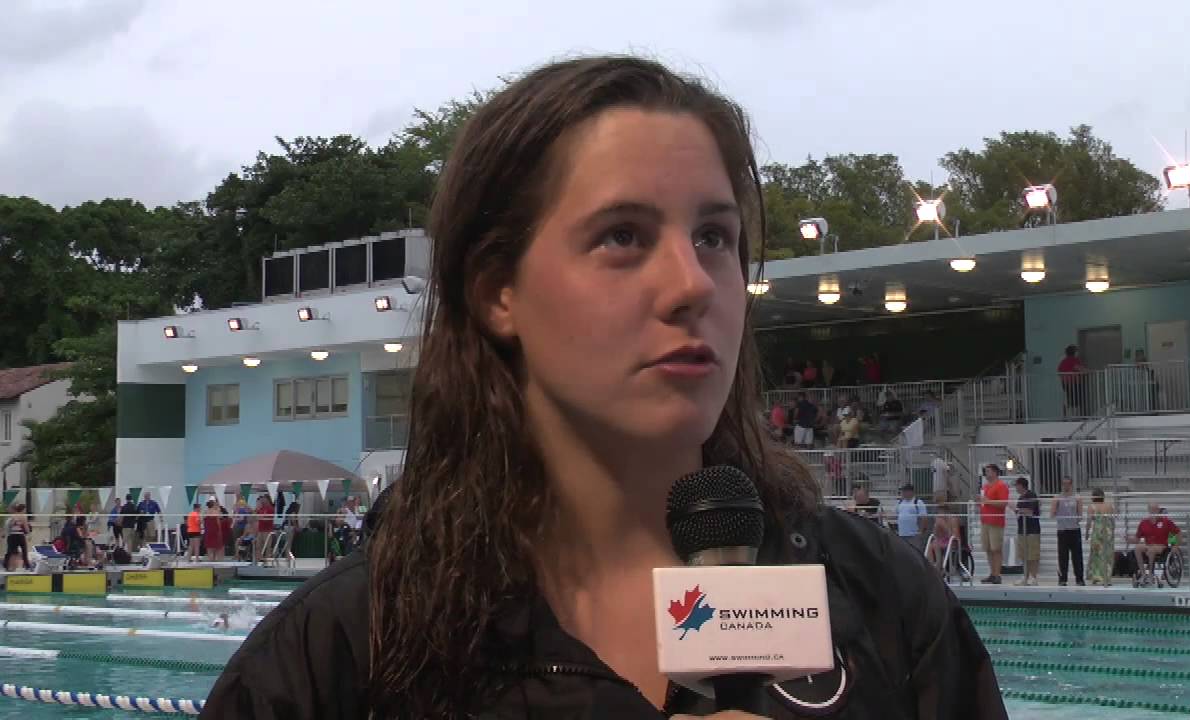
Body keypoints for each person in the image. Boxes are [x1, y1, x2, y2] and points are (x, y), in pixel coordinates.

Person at [202, 55, 1005, 719]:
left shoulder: (880, 601)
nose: (691, 284)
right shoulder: (348, 652)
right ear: (496, 291)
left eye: (714, 237)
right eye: (623, 236)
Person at [1132, 503, 1181, 584]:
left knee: (1151, 550)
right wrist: (1128, 539)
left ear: (1158, 510)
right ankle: (1143, 574)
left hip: (1161, 546)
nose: (1154, 512)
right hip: (1148, 545)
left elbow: (1177, 533)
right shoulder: (1144, 522)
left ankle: (1151, 574)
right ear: (1149, 511)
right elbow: (1136, 539)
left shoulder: (1166, 521)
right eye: (1152, 510)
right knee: (1137, 548)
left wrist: (1175, 545)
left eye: (1156, 510)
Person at [1049, 477, 1085, 586]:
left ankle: (1079, 578)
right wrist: (1056, 509)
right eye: (1064, 484)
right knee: (1062, 556)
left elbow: (1080, 515)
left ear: (1071, 485)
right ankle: (1062, 578)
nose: (1066, 486)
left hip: (1074, 529)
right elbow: (1052, 514)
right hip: (1062, 530)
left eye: (1067, 484)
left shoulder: (1077, 498)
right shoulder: (1057, 498)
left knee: (1077, 556)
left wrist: (1074, 519)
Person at [978, 464, 1010, 584]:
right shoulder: (985, 486)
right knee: (988, 549)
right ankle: (992, 573)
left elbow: (1003, 503)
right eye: (985, 471)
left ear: (996, 473)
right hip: (985, 520)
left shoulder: (1001, 485)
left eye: (988, 471)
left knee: (996, 548)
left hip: (996, 521)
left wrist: (988, 501)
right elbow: (984, 502)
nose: (986, 474)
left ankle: (997, 574)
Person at [1012, 477, 1041, 586]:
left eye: (1016, 485)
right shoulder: (1020, 498)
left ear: (1021, 485)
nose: (1015, 487)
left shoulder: (1031, 495)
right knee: (1023, 554)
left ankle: (1033, 577)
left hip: (1032, 529)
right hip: (1022, 529)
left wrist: (1017, 509)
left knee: (1033, 554)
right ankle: (1025, 576)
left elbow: (1030, 511)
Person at [1085, 488, 1116, 586]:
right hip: (1108, 532)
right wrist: (1113, 530)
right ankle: (1107, 577)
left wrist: (1086, 533)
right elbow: (1112, 520)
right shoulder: (1109, 506)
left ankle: (1096, 577)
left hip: (1098, 532)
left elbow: (1089, 521)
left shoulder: (1092, 506)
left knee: (1096, 555)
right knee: (1108, 555)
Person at [895, 483, 929, 553]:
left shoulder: (918, 502)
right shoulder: (900, 502)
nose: (903, 493)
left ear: (910, 492)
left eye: (905, 491)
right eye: (903, 491)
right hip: (902, 534)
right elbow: (896, 515)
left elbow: (924, 518)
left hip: (914, 535)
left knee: (916, 553)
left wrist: (921, 532)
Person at [1058, 345, 1087, 418]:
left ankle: (1070, 417)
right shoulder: (1073, 360)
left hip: (1066, 384)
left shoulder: (1063, 361)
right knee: (1076, 401)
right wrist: (1090, 371)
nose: (1078, 353)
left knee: (1070, 400)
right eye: (1076, 351)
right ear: (1074, 352)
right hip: (1075, 383)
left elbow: (1059, 371)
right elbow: (1080, 369)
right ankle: (1076, 417)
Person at [5, 503, 31, 571]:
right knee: (24, 551)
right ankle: (27, 566)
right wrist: (29, 534)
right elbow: (26, 527)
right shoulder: (23, 516)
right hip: (19, 535)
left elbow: (9, 526)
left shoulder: (12, 516)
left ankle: (11, 568)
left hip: (12, 535)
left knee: (12, 552)